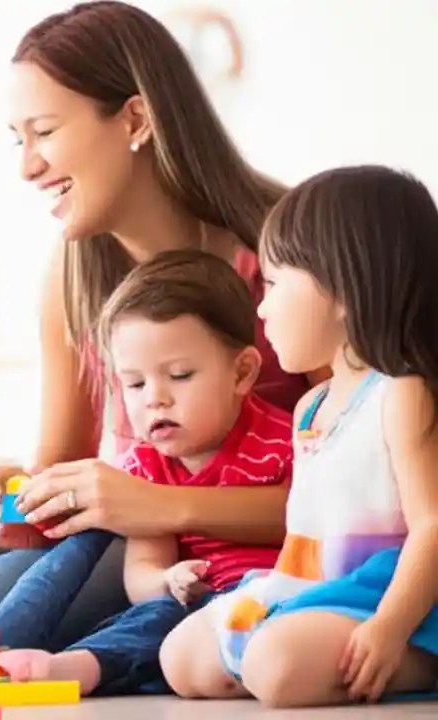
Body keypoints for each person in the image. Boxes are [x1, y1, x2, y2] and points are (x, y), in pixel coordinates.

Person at [0, 0, 316, 644]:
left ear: (135, 119)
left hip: (221, 539)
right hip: (124, 522)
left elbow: (361, 489)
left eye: (44, 131)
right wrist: (15, 494)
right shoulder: (70, 273)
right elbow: (59, 466)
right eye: (19, 139)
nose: (27, 166)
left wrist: (161, 505)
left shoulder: (286, 247)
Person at [0, 250, 291, 698]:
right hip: (187, 607)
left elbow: (323, 536)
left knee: (163, 629)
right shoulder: (148, 466)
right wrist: (167, 581)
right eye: (134, 383)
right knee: (134, 595)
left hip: (270, 600)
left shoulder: (288, 441)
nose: (155, 399)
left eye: (180, 375)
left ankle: (71, 666)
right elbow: (144, 572)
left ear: (242, 372)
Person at [160, 166, 438, 707]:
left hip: (392, 600)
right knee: (180, 658)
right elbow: (304, 530)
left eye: (273, 283)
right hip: (312, 589)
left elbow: (433, 523)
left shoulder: (401, 392)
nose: (260, 309)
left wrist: (389, 626)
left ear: (343, 291)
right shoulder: (311, 405)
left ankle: (417, 660)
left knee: (276, 668)